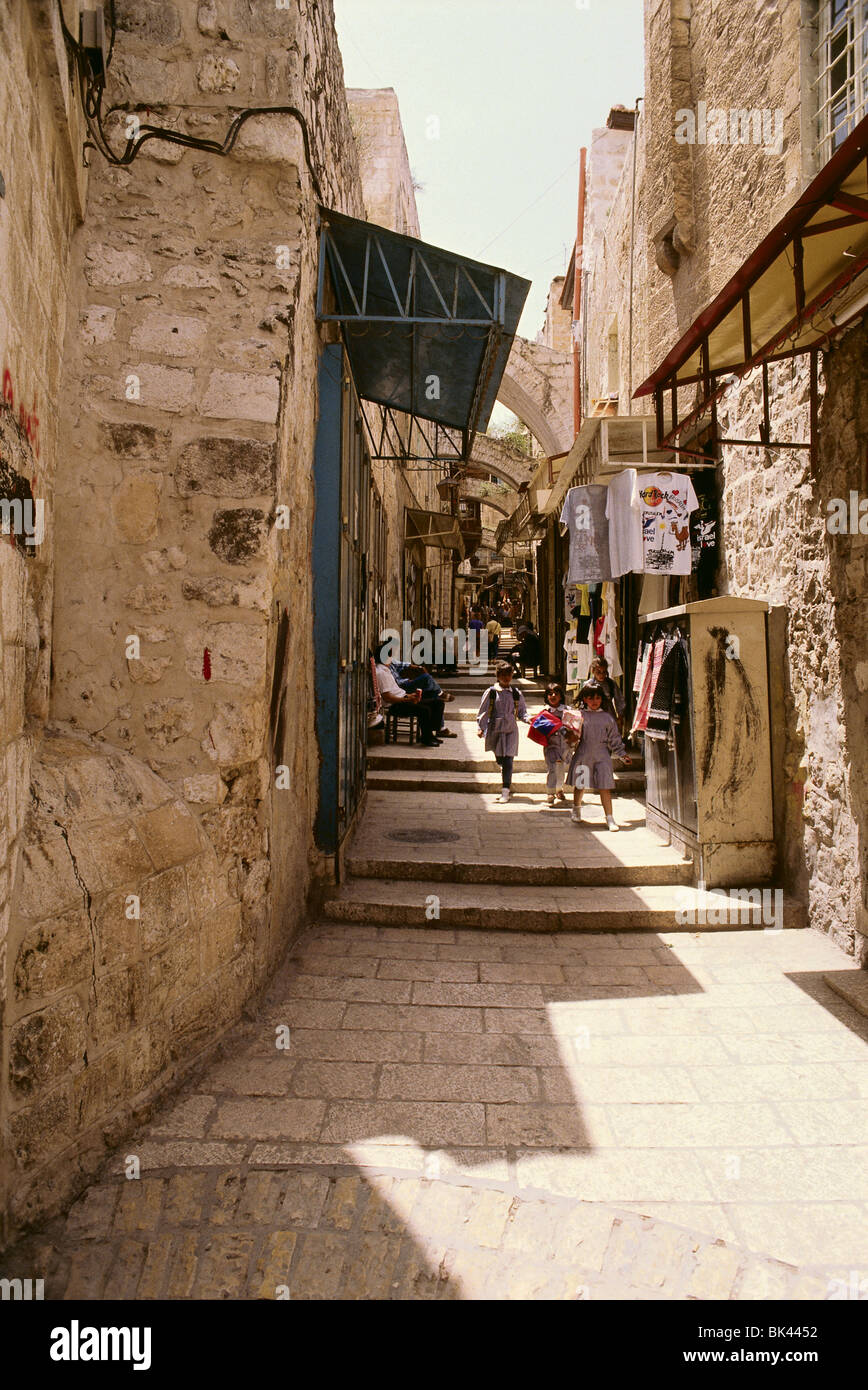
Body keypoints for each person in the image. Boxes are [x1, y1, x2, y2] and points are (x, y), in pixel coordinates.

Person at [567, 680, 632, 830]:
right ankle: (576, 809)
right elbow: (571, 738)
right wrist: (569, 738)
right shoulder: (579, 716)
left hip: (602, 756)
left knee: (605, 786)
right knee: (580, 784)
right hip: (583, 754)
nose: (594, 701)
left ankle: (609, 818)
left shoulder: (608, 718)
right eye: (590, 698)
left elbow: (614, 739)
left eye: (597, 698)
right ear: (584, 699)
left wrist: (622, 754)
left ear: (602, 699)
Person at [477, 660, 528, 803]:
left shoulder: (516, 693)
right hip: (496, 730)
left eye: (509, 675)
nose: (506, 678)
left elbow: (522, 712)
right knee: (500, 758)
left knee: (508, 760)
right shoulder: (492, 692)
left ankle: (506, 789)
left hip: (511, 730)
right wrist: (481, 727)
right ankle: (503, 769)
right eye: (503, 675)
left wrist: (529, 719)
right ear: (498, 675)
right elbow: (484, 711)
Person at [380, 646, 457, 738]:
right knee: (426, 678)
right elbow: (389, 693)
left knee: (434, 697)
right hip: (402, 688)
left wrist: (418, 667)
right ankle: (440, 693)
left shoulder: (390, 663)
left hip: (405, 685)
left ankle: (440, 728)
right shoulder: (382, 671)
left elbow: (404, 664)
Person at [374, 653, 442, 747]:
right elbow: (388, 698)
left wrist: (410, 696)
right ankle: (426, 739)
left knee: (437, 702)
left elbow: (396, 691)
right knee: (424, 710)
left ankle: (431, 733)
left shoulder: (386, 670)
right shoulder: (381, 673)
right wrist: (407, 699)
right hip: (396, 704)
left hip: (404, 697)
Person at [537, 682, 575, 807]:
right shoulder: (545, 712)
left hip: (564, 745)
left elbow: (573, 726)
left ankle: (559, 789)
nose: (553, 696)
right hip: (551, 746)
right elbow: (540, 731)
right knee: (552, 768)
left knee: (561, 769)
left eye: (556, 693)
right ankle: (550, 791)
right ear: (546, 696)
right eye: (550, 694)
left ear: (561, 696)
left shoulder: (567, 710)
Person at [588, 656, 626, 728]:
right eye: (598, 672)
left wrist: (620, 718)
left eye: (604, 672)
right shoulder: (588, 685)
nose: (601, 675)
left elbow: (620, 700)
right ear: (593, 671)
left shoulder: (611, 684)